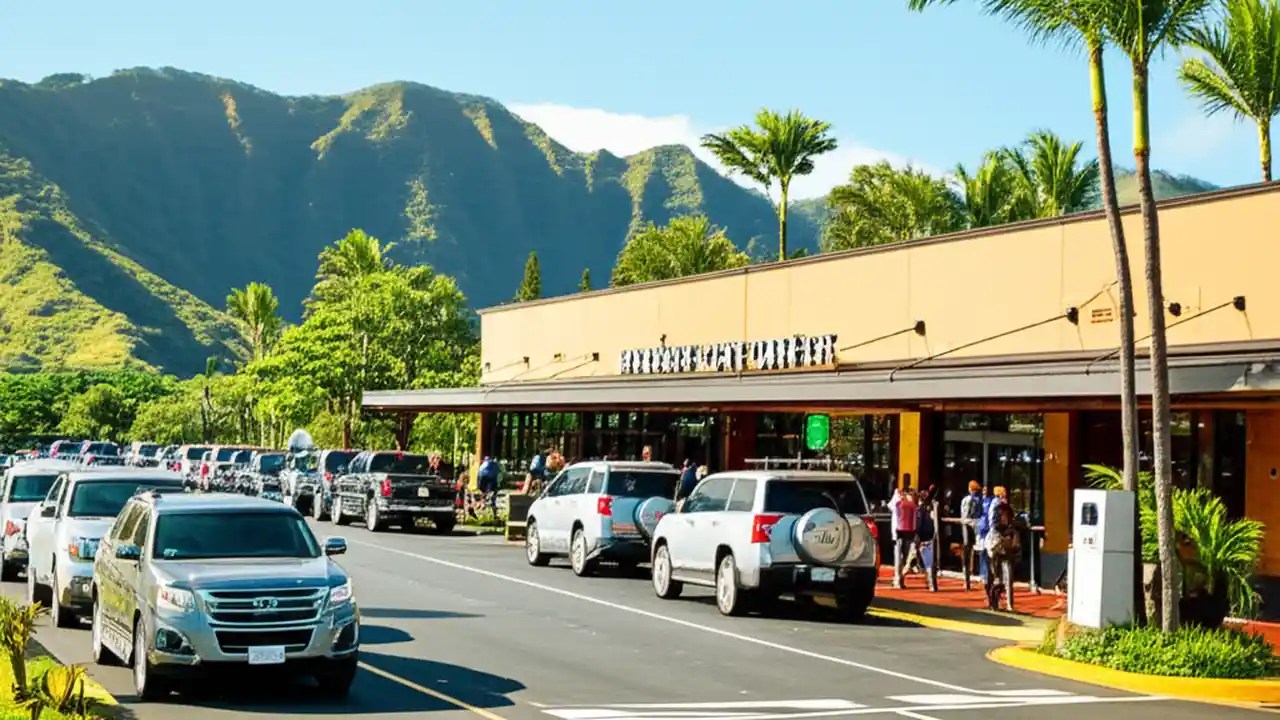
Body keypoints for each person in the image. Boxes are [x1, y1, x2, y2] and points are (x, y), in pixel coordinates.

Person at [985, 486, 1021, 611]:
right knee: (999, 575)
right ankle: (1001, 602)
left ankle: (997, 602)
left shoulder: (1001, 507)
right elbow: (994, 524)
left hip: (999, 543)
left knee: (998, 575)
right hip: (999, 542)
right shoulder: (997, 506)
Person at [888, 486, 917, 589]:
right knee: (903, 556)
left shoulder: (899, 500)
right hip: (908, 530)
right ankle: (899, 579)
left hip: (899, 530)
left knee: (899, 555)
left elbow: (890, 506)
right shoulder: (911, 501)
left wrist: (897, 494)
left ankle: (898, 579)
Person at [958, 481, 984, 590]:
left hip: (967, 525)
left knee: (967, 550)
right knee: (980, 548)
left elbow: (963, 514)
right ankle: (980, 574)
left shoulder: (966, 500)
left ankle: (967, 577)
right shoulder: (980, 500)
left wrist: (965, 520)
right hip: (977, 524)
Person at [976, 484, 995, 590]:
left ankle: (989, 575)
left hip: (989, 530)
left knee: (989, 553)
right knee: (982, 552)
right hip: (981, 529)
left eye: (986, 490)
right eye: (983, 490)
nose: (984, 492)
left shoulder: (992, 501)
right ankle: (983, 575)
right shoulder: (980, 501)